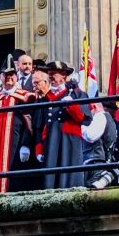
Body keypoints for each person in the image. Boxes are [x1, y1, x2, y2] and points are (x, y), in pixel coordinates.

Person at [0, 55, 34, 194]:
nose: (9, 77)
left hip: (15, 145)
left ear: (16, 77)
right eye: (6, 75)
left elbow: (30, 123)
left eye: (12, 74)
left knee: (15, 178)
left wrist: (26, 144)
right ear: (0, 77)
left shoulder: (26, 97)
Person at [35, 61, 87, 189]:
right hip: (51, 142)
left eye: (54, 74)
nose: (51, 76)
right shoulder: (45, 99)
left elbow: (83, 119)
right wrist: (39, 148)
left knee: (69, 175)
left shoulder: (76, 94)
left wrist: (72, 106)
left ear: (64, 75)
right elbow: (39, 126)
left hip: (69, 141)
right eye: (49, 74)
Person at [82, 101, 119, 190]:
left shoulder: (100, 117)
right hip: (100, 164)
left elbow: (91, 136)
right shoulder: (109, 120)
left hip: (95, 164)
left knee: (91, 194)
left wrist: (80, 127)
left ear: (94, 107)